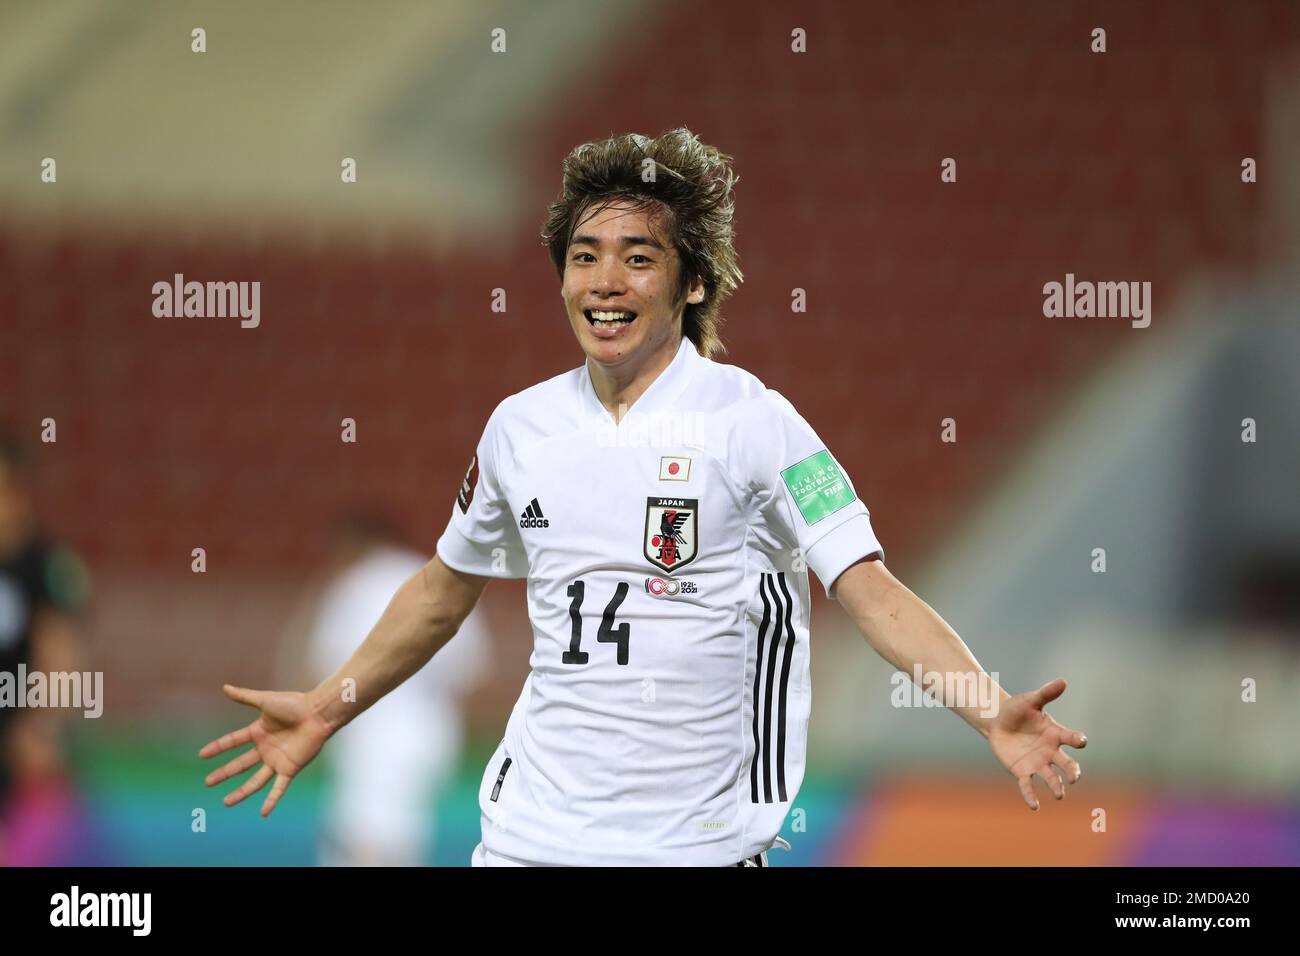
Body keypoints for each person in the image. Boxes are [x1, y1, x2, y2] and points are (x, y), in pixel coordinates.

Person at [201, 128, 1088, 867]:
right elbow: (443, 589)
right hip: (528, 838)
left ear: (692, 281)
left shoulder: (755, 424)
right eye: (584, 258)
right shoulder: (520, 428)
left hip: (693, 846)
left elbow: (870, 590)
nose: (605, 282)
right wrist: (326, 705)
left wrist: (985, 707)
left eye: (637, 257)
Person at [276, 511, 490, 866]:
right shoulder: (439, 577)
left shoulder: (353, 585)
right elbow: (472, 673)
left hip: (371, 745)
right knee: (399, 843)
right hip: (429, 739)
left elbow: (313, 670)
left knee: (366, 848)